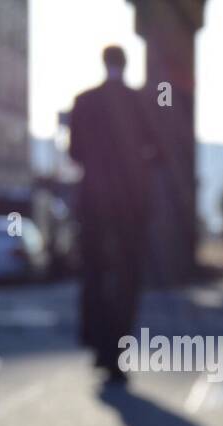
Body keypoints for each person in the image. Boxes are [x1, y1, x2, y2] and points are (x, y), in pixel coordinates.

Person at [67, 46, 156, 384]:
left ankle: (98, 345)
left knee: (94, 273)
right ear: (126, 63)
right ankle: (117, 349)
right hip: (130, 205)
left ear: (104, 63)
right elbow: (156, 148)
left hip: (93, 203)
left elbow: (75, 152)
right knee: (127, 278)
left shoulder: (84, 100)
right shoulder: (142, 101)